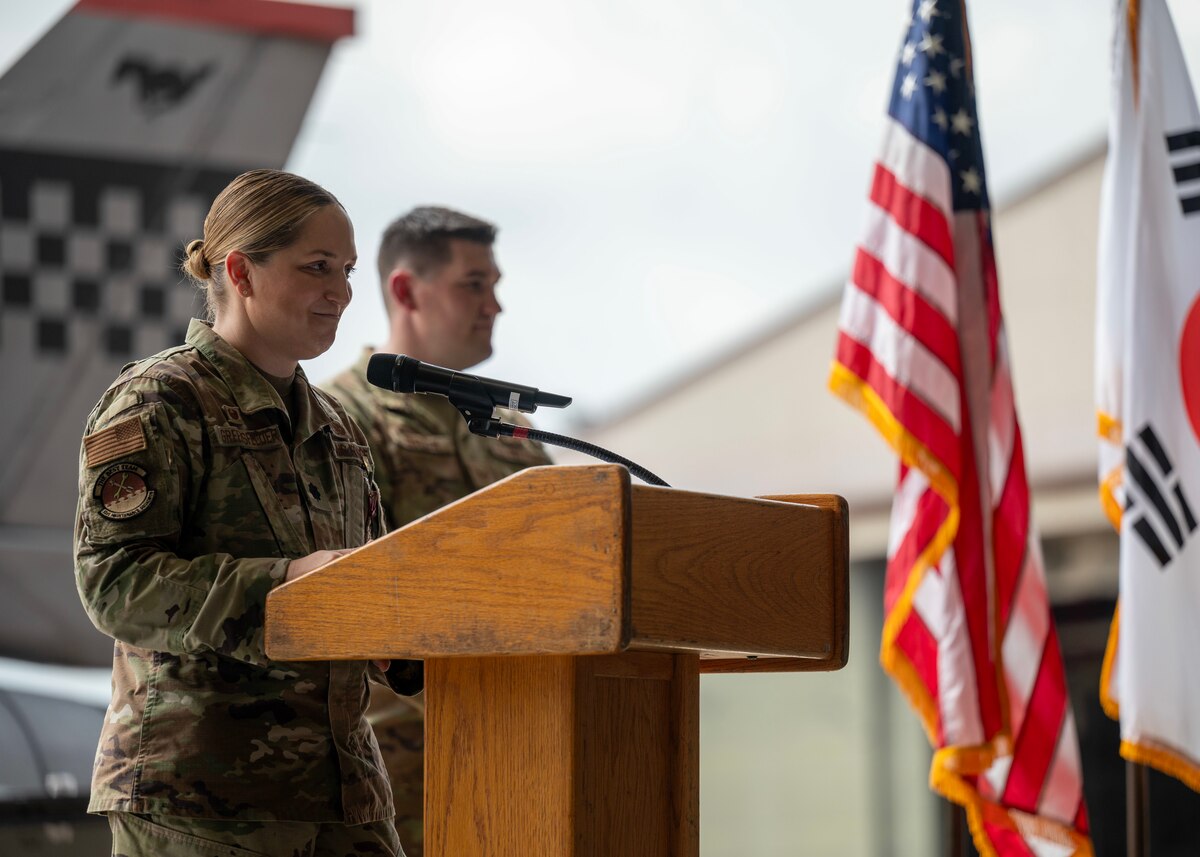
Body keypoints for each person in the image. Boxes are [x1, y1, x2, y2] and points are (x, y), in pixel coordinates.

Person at [74, 169, 421, 857]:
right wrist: (289, 584)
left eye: (347, 271)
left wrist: (424, 641)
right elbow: (114, 584)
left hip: (343, 797)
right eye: (317, 268)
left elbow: (371, 599)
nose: (342, 293)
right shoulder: (161, 400)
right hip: (202, 800)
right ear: (241, 270)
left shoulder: (339, 428)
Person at [326, 206, 552, 855]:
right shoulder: (340, 419)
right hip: (394, 771)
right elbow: (346, 591)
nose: (495, 305)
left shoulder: (511, 431)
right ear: (405, 290)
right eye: (473, 284)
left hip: (519, 751)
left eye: (495, 284)